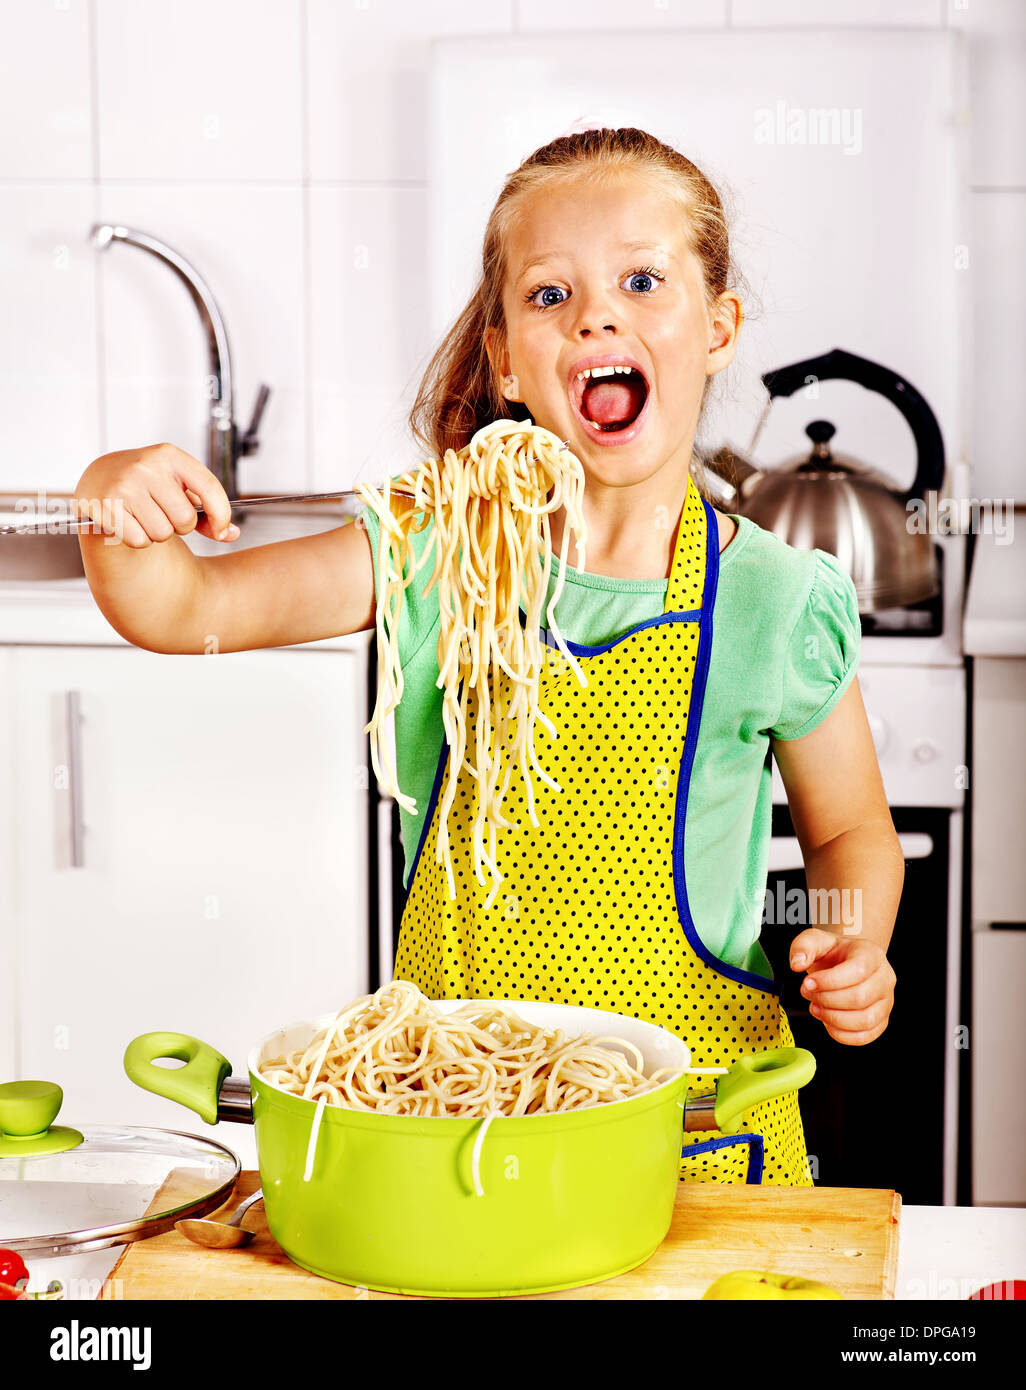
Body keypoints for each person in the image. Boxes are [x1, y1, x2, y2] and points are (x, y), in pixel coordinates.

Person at [75, 126, 901, 1185]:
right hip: (453, 1124)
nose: (598, 312)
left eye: (643, 280)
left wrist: (854, 937)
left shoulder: (775, 601)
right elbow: (182, 606)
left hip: (692, 1134)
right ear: (508, 361)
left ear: (718, 329)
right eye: (550, 296)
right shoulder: (437, 550)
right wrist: (115, 501)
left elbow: (850, 833)